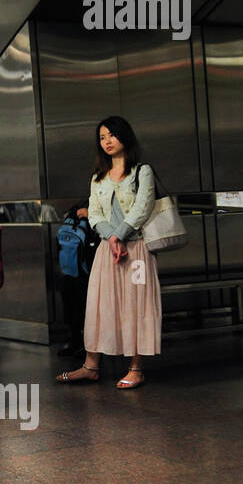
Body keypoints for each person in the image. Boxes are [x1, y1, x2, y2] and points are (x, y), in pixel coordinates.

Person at [57, 117, 159, 389]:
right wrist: (110, 237)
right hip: (107, 250)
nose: (107, 141)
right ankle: (91, 366)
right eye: (102, 137)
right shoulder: (98, 176)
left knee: (136, 305)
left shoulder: (142, 171)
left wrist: (119, 235)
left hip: (136, 249)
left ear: (125, 137)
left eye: (112, 135)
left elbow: (142, 207)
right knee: (101, 306)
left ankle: (136, 368)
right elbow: (94, 212)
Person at [57, 199, 98, 358]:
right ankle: (77, 337)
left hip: (82, 269)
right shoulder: (81, 208)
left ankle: (79, 338)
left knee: (78, 296)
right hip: (79, 270)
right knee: (74, 295)